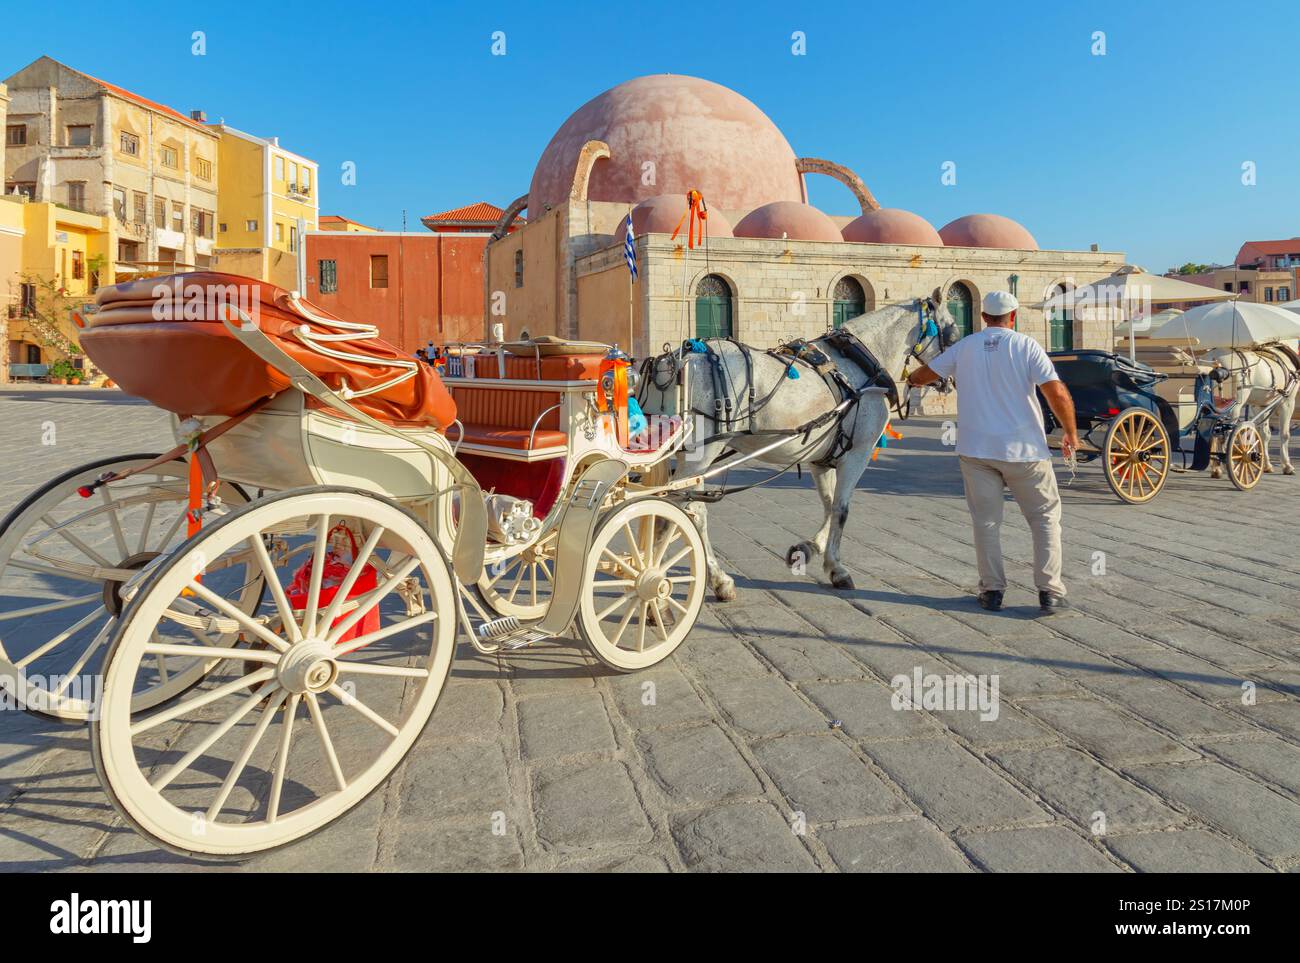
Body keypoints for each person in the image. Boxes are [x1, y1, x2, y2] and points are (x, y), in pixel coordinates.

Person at [907, 291, 1079, 615]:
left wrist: (913, 378)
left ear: (983, 317)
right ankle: (1050, 592)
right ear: (1013, 316)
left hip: (977, 450)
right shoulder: (1027, 346)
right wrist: (1070, 432)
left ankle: (992, 591)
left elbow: (923, 375)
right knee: (1044, 519)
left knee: (986, 523)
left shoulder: (965, 347)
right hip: (1025, 451)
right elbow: (1056, 392)